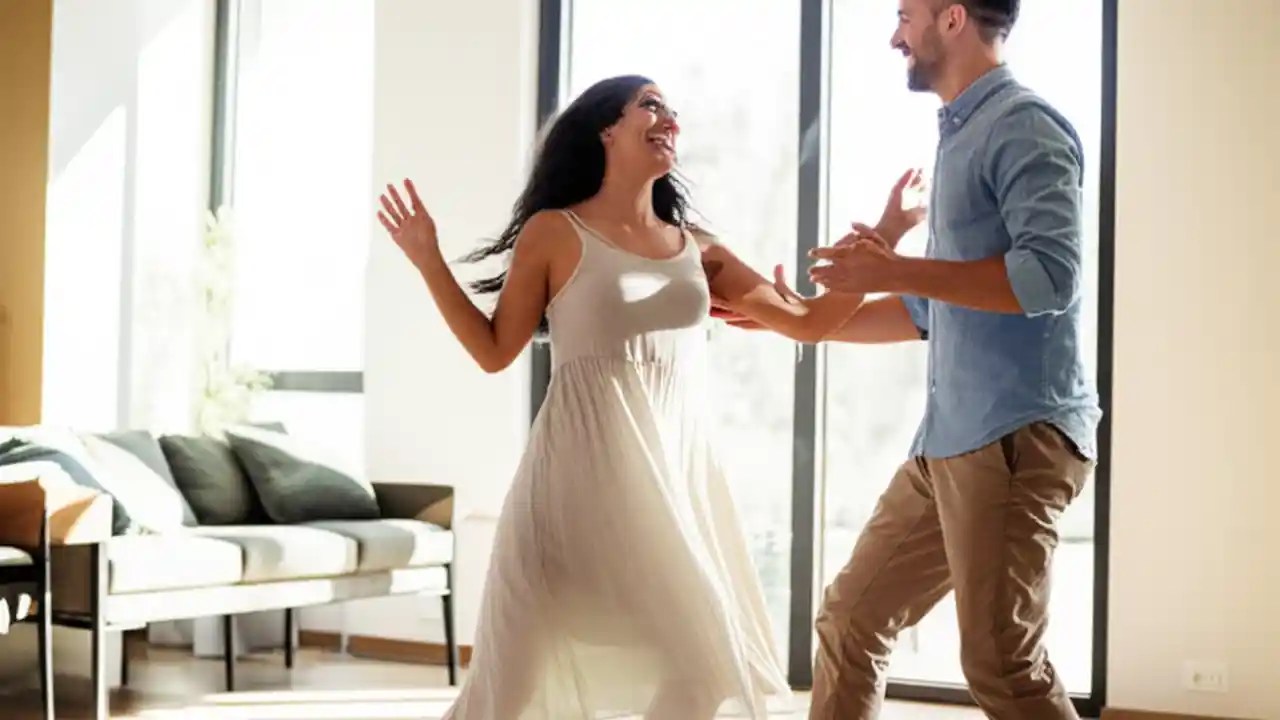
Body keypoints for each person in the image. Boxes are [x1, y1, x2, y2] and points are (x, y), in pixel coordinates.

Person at [376, 75, 921, 720]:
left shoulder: (698, 248)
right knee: (506, 692)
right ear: (605, 128)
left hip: (668, 482)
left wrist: (887, 234)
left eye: (672, 110)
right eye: (651, 106)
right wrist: (428, 260)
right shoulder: (555, 232)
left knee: (705, 668)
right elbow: (494, 351)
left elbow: (809, 322)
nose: (671, 121)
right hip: (572, 487)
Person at [717, 1, 1101, 718]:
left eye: (905, 15)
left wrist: (892, 268)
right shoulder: (960, 135)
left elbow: (1049, 278)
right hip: (949, 441)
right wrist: (799, 322)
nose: (895, 35)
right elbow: (929, 310)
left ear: (952, 18)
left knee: (1001, 661)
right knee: (852, 617)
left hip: (1016, 435)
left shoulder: (1023, 125)